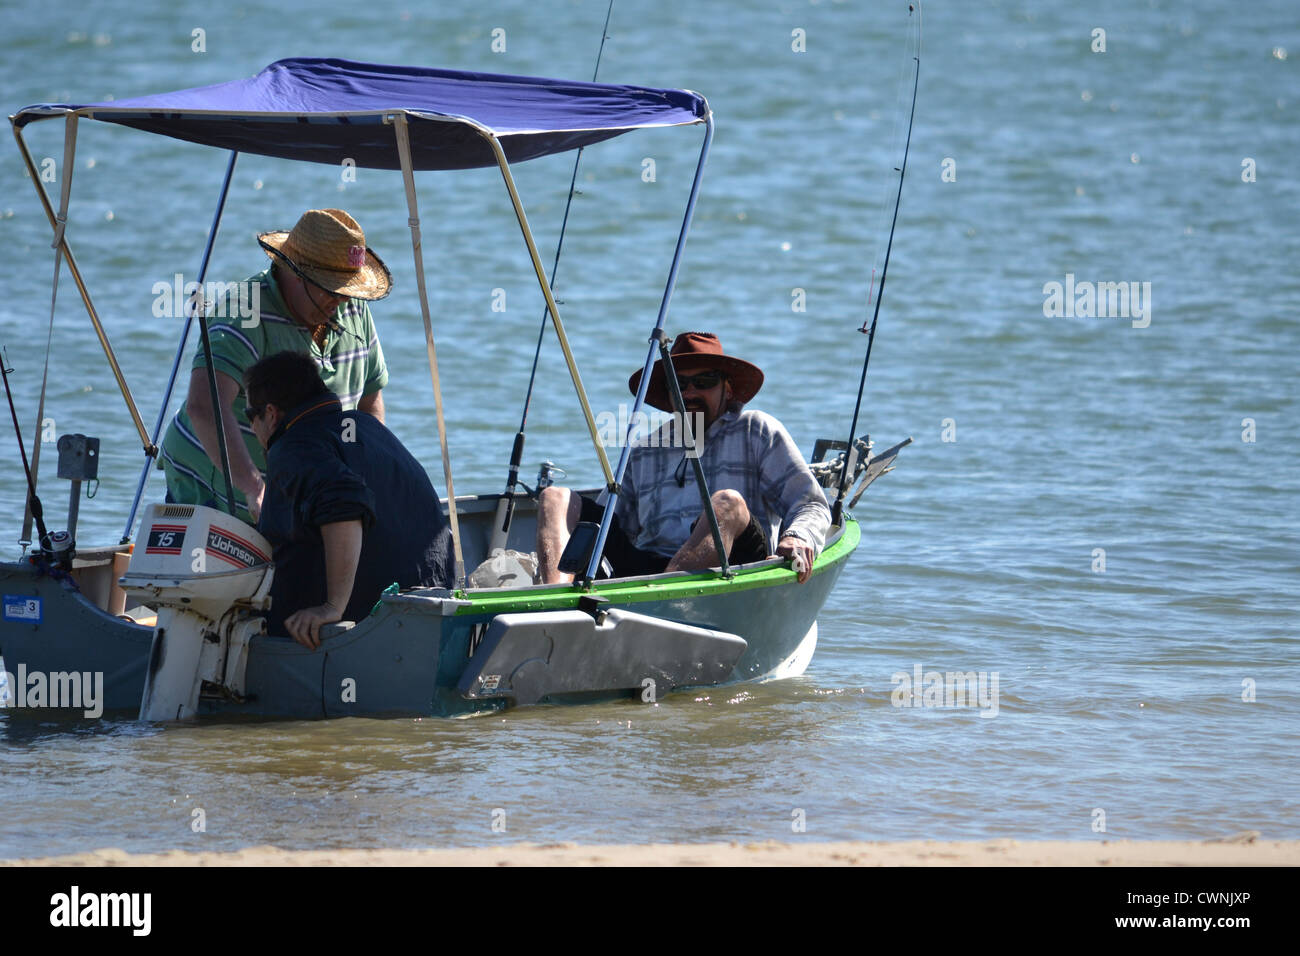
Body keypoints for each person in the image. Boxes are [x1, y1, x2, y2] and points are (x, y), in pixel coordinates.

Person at [537, 331, 830, 585]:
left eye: (704, 381)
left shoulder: (757, 430)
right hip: (651, 569)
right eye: (679, 384)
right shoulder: (644, 450)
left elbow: (811, 505)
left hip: (736, 568)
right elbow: (609, 526)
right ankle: (553, 601)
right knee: (555, 498)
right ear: (668, 394)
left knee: (726, 502)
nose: (690, 392)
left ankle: (665, 600)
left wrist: (798, 537)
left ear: (727, 389)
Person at [160, 208, 391, 525]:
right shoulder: (245, 309)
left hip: (301, 493)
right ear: (296, 271)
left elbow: (369, 403)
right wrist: (254, 486)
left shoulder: (352, 306)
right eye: (330, 287)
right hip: (212, 491)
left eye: (347, 289)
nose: (342, 300)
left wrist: (367, 474)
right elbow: (203, 406)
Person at [244, 351, 454, 649]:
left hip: (364, 634)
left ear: (271, 413)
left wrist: (332, 607)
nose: (251, 428)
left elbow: (343, 507)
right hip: (433, 615)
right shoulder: (364, 427)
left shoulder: (293, 445)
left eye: (250, 416)